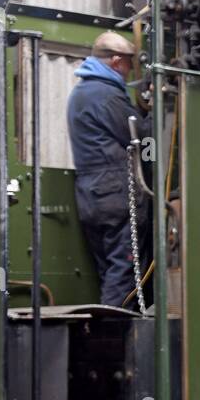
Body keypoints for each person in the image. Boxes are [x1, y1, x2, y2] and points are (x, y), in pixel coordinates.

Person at [66, 31, 149, 308]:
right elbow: (140, 133)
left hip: (91, 193)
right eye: (127, 65)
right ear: (116, 62)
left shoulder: (81, 92)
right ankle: (115, 341)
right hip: (114, 192)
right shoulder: (105, 94)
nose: (129, 72)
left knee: (109, 271)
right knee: (124, 272)